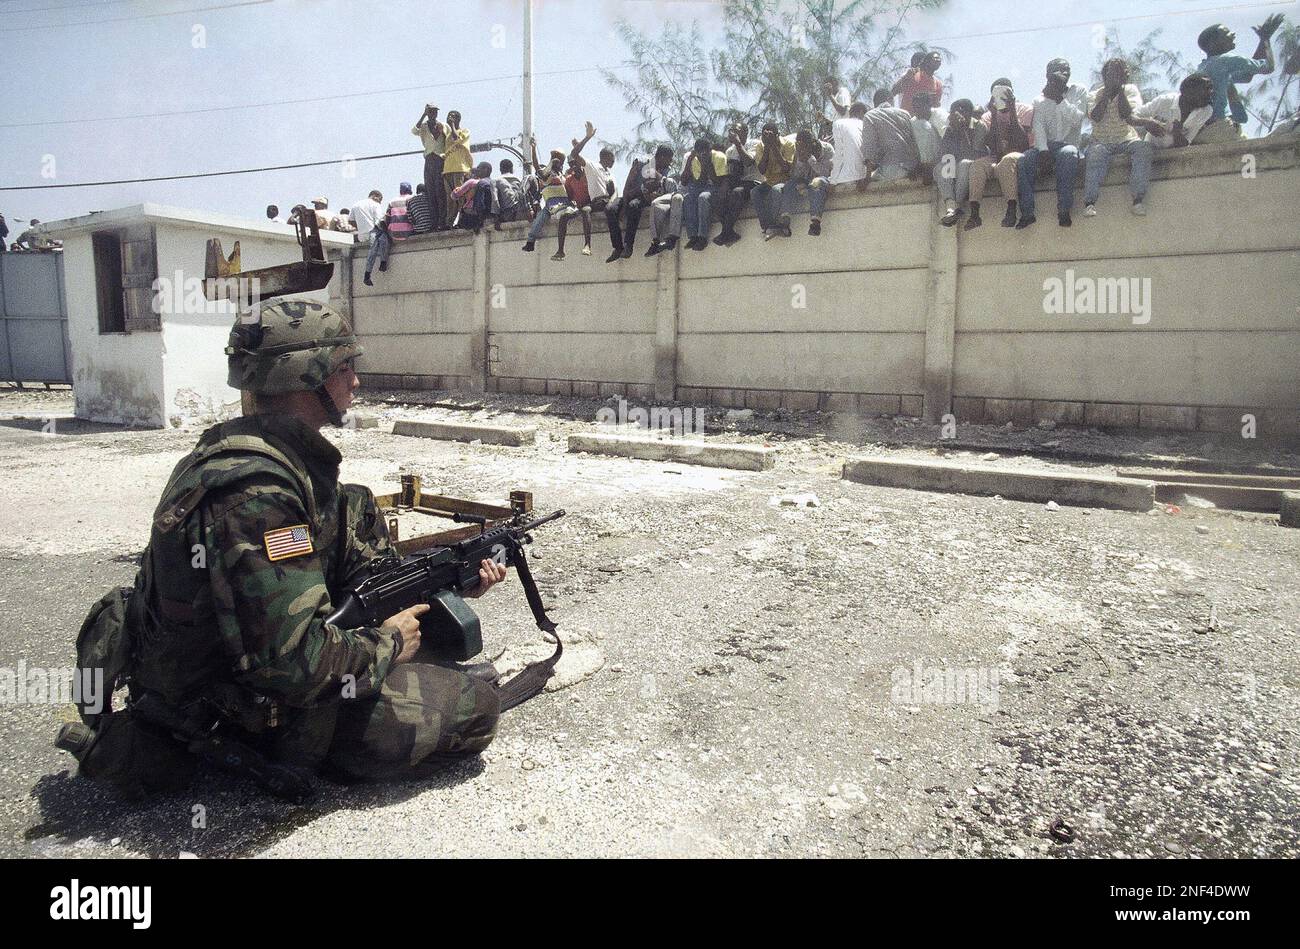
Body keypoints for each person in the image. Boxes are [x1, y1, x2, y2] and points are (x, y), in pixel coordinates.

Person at [109, 294, 504, 787]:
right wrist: (388, 643)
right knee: (479, 709)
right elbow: (292, 666)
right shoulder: (259, 497)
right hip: (239, 710)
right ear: (306, 375)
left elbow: (343, 574)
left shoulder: (255, 456)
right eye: (344, 367)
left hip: (229, 677)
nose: (355, 382)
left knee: (432, 633)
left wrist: (448, 581)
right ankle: (283, 753)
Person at [1016, 61, 1085, 229]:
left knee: (1067, 155)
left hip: (1068, 145)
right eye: (1059, 70)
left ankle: (1064, 210)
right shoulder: (1039, 99)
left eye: (1067, 70)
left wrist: (1059, 98)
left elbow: (1077, 121)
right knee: (1024, 160)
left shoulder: (1078, 91)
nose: (1064, 73)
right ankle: (1027, 213)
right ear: (1048, 75)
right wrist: (1043, 150)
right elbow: (1038, 126)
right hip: (1046, 146)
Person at [1082, 58, 1154, 217]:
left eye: (1118, 73)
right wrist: (1107, 93)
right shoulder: (1094, 94)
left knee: (1143, 148)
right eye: (1110, 73)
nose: (1114, 77)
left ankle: (1137, 199)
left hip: (1126, 138)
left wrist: (1120, 90)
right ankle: (1090, 202)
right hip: (1101, 141)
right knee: (1094, 154)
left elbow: (1128, 115)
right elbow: (1096, 116)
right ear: (1104, 76)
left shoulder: (1130, 90)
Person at [1196, 16, 1283, 143]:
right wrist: (1265, 39)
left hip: (1205, 129)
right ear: (1213, 43)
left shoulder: (1206, 66)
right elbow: (1268, 67)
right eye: (1226, 33)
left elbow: (1247, 76)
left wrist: (1262, 40)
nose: (1233, 34)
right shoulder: (1225, 60)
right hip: (1220, 127)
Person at [967, 80, 1033, 230]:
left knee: (1007, 161)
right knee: (976, 165)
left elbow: (1022, 143)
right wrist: (995, 114)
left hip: (1019, 155)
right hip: (996, 156)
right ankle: (974, 213)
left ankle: (1011, 209)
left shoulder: (1025, 109)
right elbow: (992, 145)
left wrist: (1012, 111)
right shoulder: (988, 116)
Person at [605, 144, 674, 261]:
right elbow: (628, 185)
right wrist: (624, 205)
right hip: (630, 194)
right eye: (669, 158)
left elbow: (657, 191)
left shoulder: (666, 171)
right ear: (662, 157)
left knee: (634, 206)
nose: (671, 162)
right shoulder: (641, 164)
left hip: (645, 199)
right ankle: (618, 247)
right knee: (610, 208)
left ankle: (628, 245)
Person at [933, 99, 989, 226]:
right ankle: (951, 207)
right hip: (955, 168)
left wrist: (963, 130)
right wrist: (950, 130)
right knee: (943, 165)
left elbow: (973, 155)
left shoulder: (979, 126)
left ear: (969, 113)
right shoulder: (950, 128)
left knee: (964, 163)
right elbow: (944, 155)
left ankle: (956, 206)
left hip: (973, 165)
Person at [738, 123, 796, 239]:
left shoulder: (788, 144)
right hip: (769, 181)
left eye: (770, 135)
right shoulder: (760, 146)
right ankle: (767, 226)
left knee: (776, 190)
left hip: (786, 180)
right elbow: (762, 170)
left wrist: (774, 147)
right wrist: (767, 148)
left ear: (777, 135)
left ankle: (776, 224)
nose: (766, 138)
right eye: (764, 135)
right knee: (755, 192)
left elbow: (787, 168)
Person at [1130, 74, 1215, 149]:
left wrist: (1177, 132)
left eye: (1211, 88)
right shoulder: (1164, 101)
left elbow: (1184, 144)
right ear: (1189, 91)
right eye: (1206, 88)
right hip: (1151, 151)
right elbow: (1131, 116)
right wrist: (1146, 122)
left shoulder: (1206, 111)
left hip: (1174, 155)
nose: (1211, 92)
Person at [777, 128, 835, 237]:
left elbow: (827, 172)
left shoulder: (827, 149)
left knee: (816, 182)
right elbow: (795, 176)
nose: (802, 148)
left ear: (812, 143)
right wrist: (800, 161)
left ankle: (815, 222)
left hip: (822, 181)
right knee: (789, 185)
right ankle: (785, 221)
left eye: (805, 145)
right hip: (806, 181)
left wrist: (810, 159)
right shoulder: (798, 152)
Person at [715, 122, 761, 246]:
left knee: (737, 193)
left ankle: (725, 232)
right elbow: (732, 170)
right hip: (738, 181)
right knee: (719, 195)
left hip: (754, 181)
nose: (733, 133)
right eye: (731, 130)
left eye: (737, 130)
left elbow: (748, 162)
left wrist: (738, 144)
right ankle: (728, 231)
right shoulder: (730, 150)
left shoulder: (755, 144)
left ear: (745, 131)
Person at [678, 136, 728, 250]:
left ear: (710, 149)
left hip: (718, 187)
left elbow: (719, 182)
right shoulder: (695, 160)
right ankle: (693, 236)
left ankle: (702, 237)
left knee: (703, 197)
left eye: (705, 151)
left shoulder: (719, 157)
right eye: (699, 152)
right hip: (702, 186)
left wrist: (708, 164)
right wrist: (697, 163)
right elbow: (698, 181)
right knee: (688, 198)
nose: (702, 154)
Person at [521, 148, 572, 253]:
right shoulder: (546, 174)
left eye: (560, 161)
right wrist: (534, 149)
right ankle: (530, 241)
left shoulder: (562, 176)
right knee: (541, 217)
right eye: (556, 160)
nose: (559, 163)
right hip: (551, 204)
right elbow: (537, 166)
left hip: (564, 203)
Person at [363, 183, 413, 286]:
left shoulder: (391, 201)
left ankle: (380, 264)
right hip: (408, 232)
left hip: (393, 233)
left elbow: (387, 218)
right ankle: (382, 263)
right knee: (381, 239)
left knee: (381, 239)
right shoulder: (412, 199)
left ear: (400, 191)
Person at [859, 100, 920, 183]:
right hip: (910, 169)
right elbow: (913, 142)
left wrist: (867, 178)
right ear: (890, 99)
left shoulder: (870, 116)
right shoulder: (905, 113)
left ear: (875, 102)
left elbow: (869, 148)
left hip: (890, 171)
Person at [569, 120, 618, 215]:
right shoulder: (592, 165)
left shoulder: (611, 175)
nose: (613, 162)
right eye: (611, 159)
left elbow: (615, 192)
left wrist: (611, 203)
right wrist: (587, 137)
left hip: (608, 202)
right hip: (596, 202)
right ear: (605, 158)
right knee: (584, 211)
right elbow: (574, 154)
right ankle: (587, 231)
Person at [412, 104, 449, 229]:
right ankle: (434, 223)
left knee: (440, 191)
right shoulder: (423, 127)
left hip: (440, 159)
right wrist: (423, 115)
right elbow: (414, 130)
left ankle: (442, 221)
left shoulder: (443, 125)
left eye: (435, 111)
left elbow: (450, 139)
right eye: (431, 112)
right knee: (430, 191)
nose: (434, 114)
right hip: (429, 159)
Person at [552, 157, 594, 259]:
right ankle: (560, 250)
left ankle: (587, 245)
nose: (573, 166)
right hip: (577, 205)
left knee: (585, 211)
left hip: (591, 203)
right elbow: (569, 196)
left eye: (575, 163)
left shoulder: (589, 175)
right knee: (563, 217)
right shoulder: (570, 179)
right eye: (571, 164)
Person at [442, 110, 473, 229]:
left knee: (461, 197)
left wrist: (453, 125)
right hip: (448, 169)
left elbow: (457, 138)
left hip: (460, 168)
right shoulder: (448, 135)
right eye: (448, 116)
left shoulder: (464, 131)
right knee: (450, 199)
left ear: (458, 119)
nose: (449, 118)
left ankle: (462, 221)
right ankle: (449, 223)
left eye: (452, 116)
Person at [908, 91, 948, 178]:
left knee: (922, 124)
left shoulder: (940, 116)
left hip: (942, 158)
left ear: (929, 105)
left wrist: (932, 164)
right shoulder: (913, 121)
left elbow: (946, 142)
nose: (916, 111)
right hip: (921, 161)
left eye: (919, 107)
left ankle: (927, 167)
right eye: (914, 107)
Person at [643, 173, 683, 257]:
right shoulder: (645, 187)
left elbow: (675, 193)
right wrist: (649, 196)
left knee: (673, 199)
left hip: (676, 198)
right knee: (654, 204)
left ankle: (672, 239)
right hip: (662, 207)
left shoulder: (667, 181)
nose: (649, 184)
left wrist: (658, 196)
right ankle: (655, 242)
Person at [490, 159, 527, 226]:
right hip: (520, 212)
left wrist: (496, 219)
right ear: (512, 169)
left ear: (500, 169)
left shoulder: (495, 181)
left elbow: (495, 200)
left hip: (507, 215)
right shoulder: (518, 180)